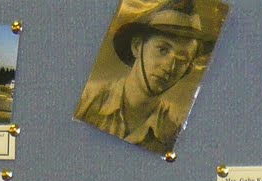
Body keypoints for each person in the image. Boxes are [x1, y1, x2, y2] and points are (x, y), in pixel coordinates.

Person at [75, 0, 215, 154]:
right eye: (162, 49)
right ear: (137, 47)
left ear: (187, 69)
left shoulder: (175, 131)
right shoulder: (85, 101)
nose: (169, 66)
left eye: (182, 59)